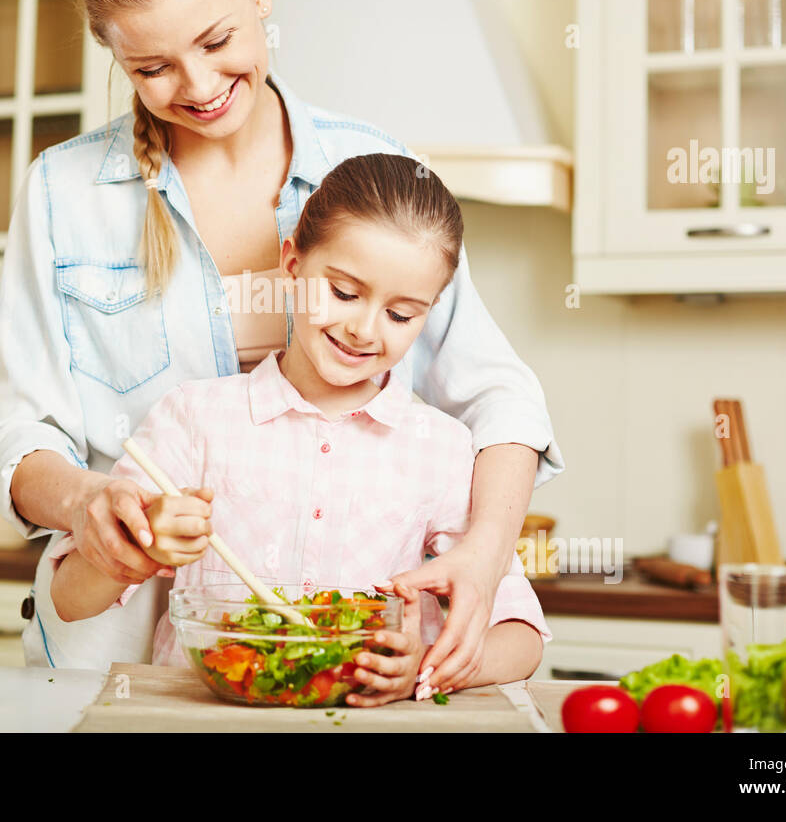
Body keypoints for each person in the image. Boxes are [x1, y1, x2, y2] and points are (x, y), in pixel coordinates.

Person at [0, 0, 564, 694]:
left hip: (317, 658)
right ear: (115, 56)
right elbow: (19, 434)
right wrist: (89, 506)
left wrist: (484, 553)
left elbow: (497, 396)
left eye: (217, 41)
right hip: (107, 647)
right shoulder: (63, 192)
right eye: (152, 66)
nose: (198, 85)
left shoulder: (366, 173)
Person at [49, 154, 551, 705]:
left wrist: (423, 674)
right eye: (343, 293)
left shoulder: (442, 448)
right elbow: (71, 599)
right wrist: (140, 545)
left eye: (401, 315)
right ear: (292, 264)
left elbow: (522, 637)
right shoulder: (194, 419)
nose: (363, 329)